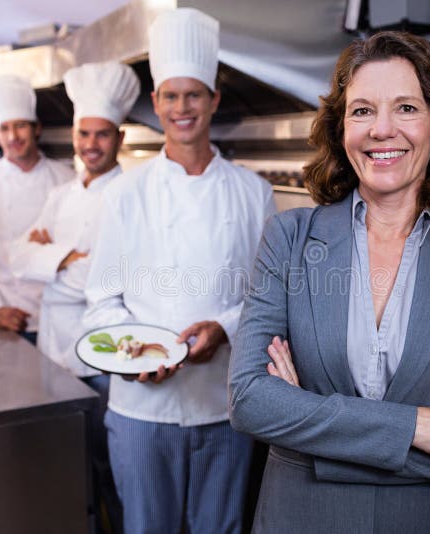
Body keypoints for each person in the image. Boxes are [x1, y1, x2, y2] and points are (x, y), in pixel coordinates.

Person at [228, 31, 430, 533]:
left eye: (406, 107)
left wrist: (305, 429)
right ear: (341, 129)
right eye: (361, 111)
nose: (382, 129)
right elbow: (250, 400)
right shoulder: (289, 239)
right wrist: (422, 426)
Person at [83, 8, 276, 534]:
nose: (182, 107)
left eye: (193, 94)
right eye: (170, 96)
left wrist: (225, 329)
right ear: (155, 105)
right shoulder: (126, 193)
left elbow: (270, 295)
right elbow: (101, 298)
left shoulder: (252, 191)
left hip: (225, 409)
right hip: (141, 409)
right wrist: (132, 354)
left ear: (213, 99)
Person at [8, 60, 140, 534]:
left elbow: (104, 281)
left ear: (119, 139)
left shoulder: (132, 192)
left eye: (102, 135)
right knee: (66, 471)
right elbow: (15, 256)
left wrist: (51, 259)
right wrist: (70, 258)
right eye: (84, 134)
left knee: (111, 473)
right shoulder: (61, 194)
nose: (91, 145)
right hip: (53, 353)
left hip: (102, 358)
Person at [0, 74, 73, 343]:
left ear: (36, 128)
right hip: (6, 317)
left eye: (20, 126)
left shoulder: (67, 179)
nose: (13, 136)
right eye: (4, 128)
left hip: (60, 315)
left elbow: (76, 252)